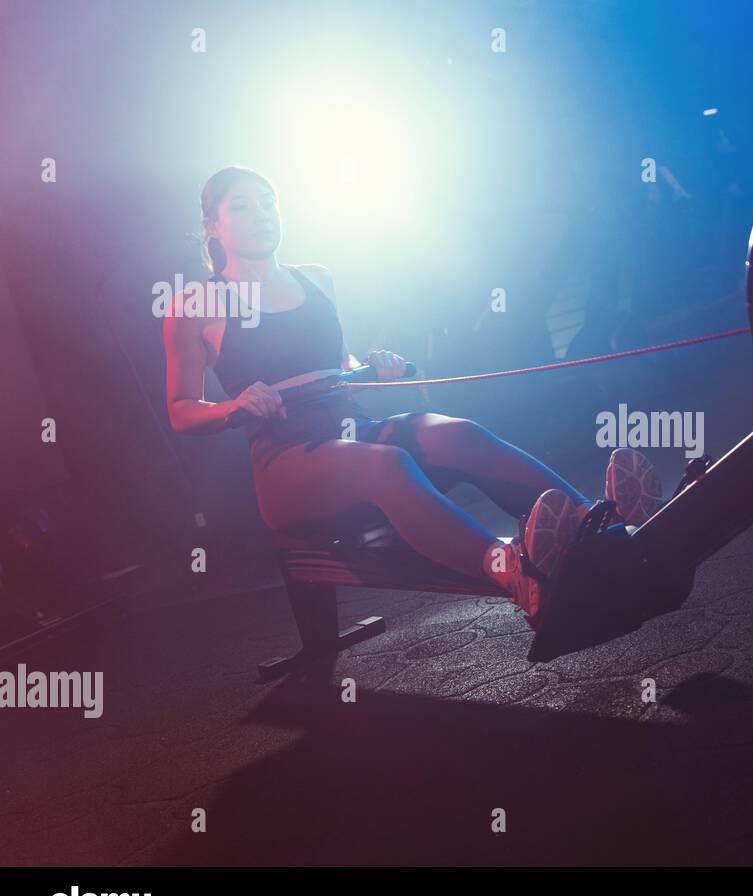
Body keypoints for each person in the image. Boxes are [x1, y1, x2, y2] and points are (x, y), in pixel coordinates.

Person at [163, 165, 666, 619]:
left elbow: (338, 366)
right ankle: (513, 571)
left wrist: (372, 365)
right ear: (212, 226)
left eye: (269, 201)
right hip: (287, 462)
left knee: (456, 434)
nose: (263, 214)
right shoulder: (196, 303)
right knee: (385, 464)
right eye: (243, 206)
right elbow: (181, 412)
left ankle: (597, 520)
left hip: (352, 430)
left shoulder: (315, 278)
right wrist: (233, 406)